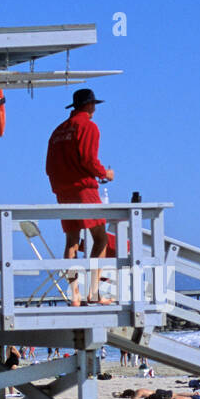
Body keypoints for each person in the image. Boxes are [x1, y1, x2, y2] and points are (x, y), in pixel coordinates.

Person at [45, 88, 116, 306]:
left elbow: (49, 166)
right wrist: (105, 173)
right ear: (89, 106)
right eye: (94, 105)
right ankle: (93, 293)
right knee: (100, 238)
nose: (95, 109)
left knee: (72, 242)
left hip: (62, 190)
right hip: (83, 189)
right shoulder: (88, 127)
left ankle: (74, 294)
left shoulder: (58, 131)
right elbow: (88, 160)